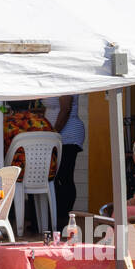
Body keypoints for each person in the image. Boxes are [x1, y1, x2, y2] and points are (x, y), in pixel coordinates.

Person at [51, 94, 84, 229]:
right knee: (56, 177)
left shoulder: (64, 78)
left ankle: (64, 217)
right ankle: (58, 215)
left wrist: (53, 132)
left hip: (68, 134)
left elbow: (65, 108)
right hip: (56, 135)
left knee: (64, 176)